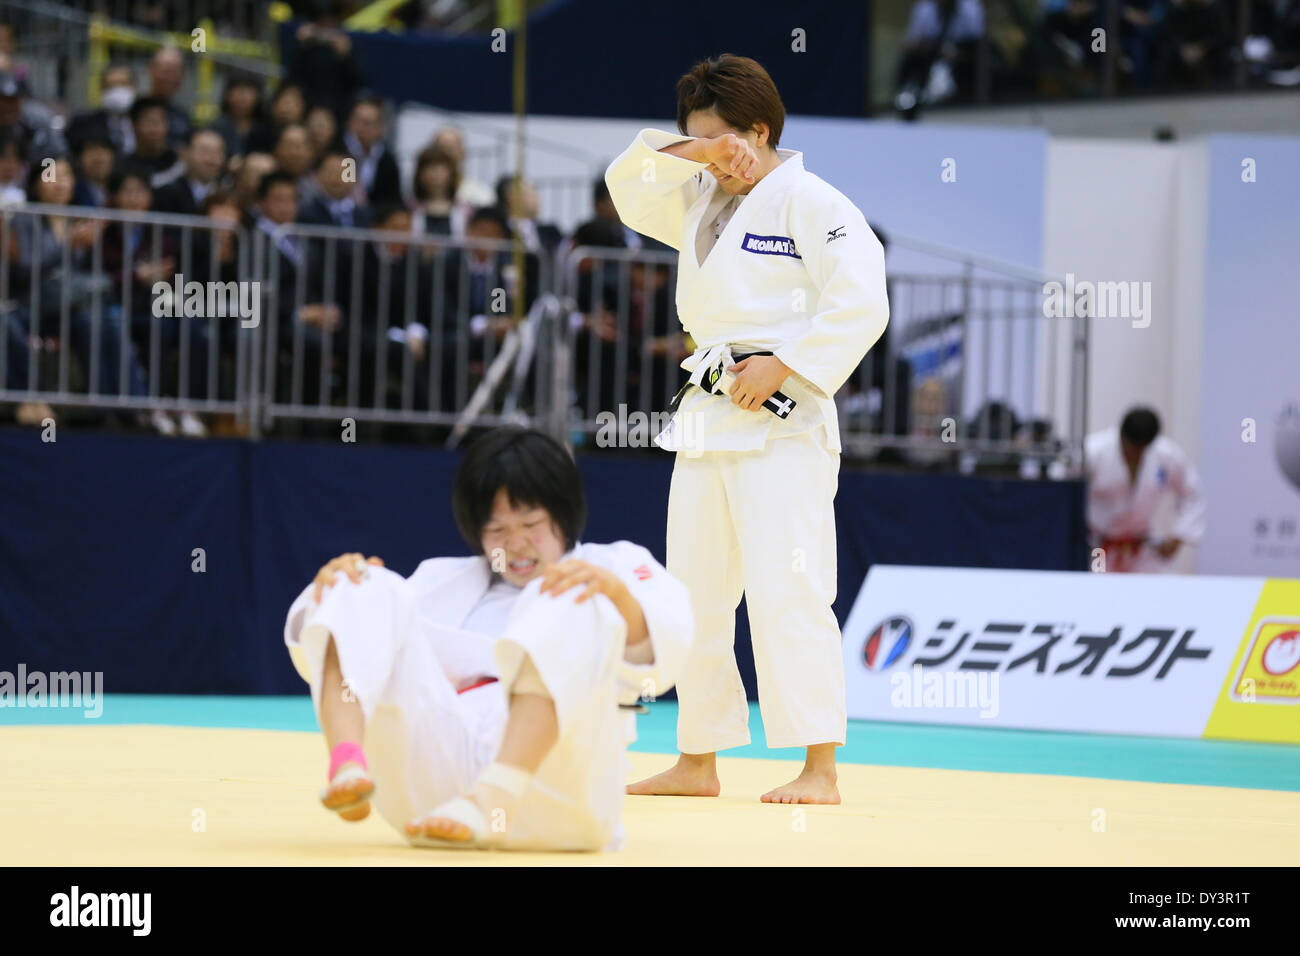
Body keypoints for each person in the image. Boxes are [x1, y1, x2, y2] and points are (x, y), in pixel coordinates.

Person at [604, 54, 889, 804]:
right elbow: (626, 189)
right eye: (698, 143)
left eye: (725, 143)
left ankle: (819, 767)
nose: (717, 161)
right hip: (706, 416)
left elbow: (863, 303)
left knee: (789, 590)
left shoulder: (814, 202)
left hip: (782, 421)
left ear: (760, 132)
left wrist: (787, 364)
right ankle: (698, 759)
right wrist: (694, 155)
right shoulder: (698, 196)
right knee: (693, 595)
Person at [283, 426, 693, 850]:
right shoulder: (439, 580)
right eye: (497, 531)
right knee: (364, 580)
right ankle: (348, 764)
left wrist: (619, 598)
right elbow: (323, 651)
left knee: (571, 589)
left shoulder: (610, 568)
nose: (516, 544)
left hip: (554, 802)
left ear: (564, 516)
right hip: (436, 798)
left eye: (531, 524)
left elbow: (666, 657)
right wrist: (336, 588)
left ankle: (498, 790)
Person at [1085, 406, 1206, 572]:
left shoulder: (1166, 455)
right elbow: (1068, 500)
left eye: (1142, 449)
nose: (1136, 454)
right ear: (1121, 435)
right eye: (1132, 448)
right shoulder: (1094, 452)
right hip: (1098, 548)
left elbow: (1192, 494)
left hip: (1143, 548)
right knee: (1095, 593)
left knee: (1163, 592)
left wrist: (1179, 537)